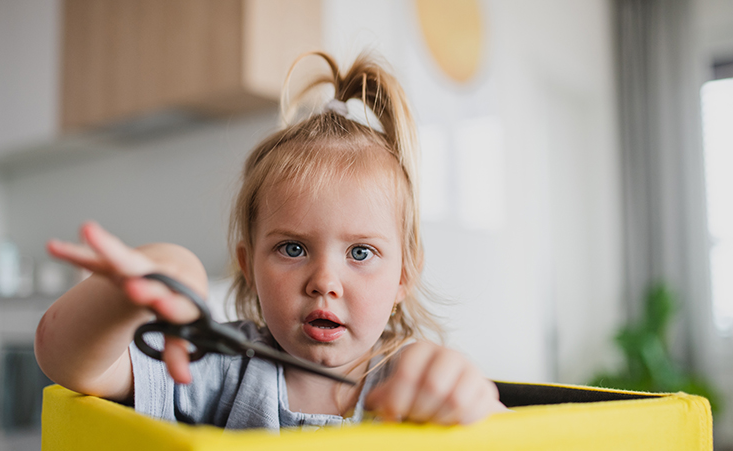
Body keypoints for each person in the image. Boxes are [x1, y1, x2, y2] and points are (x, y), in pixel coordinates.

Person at [35, 52, 506, 430]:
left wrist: (465, 399)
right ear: (248, 265)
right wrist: (141, 284)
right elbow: (71, 364)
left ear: (404, 275)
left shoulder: (412, 380)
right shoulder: (223, 367)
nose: (324, 282)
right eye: (293, 249)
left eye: (360, 253)